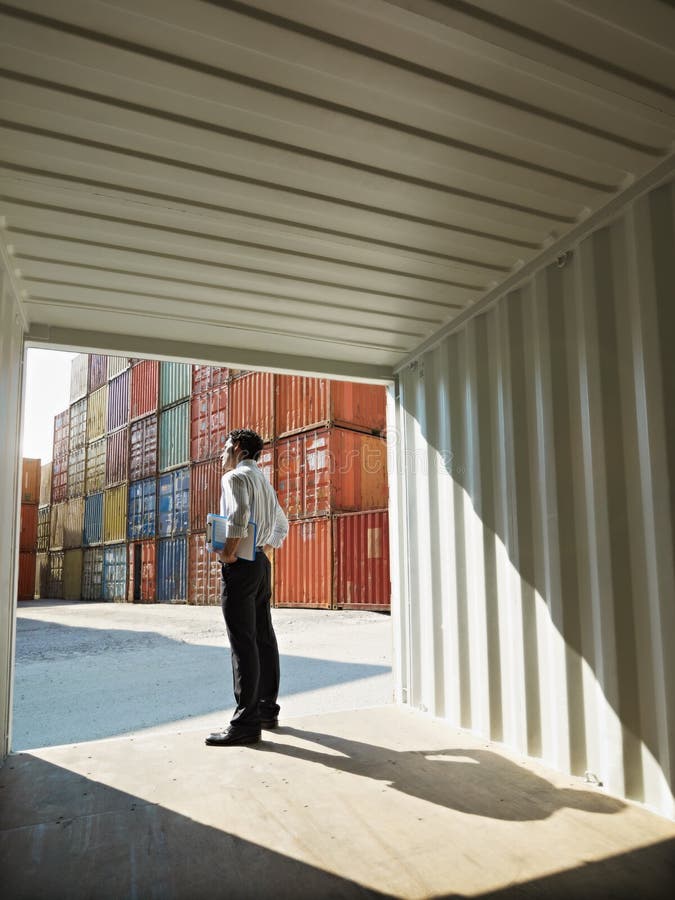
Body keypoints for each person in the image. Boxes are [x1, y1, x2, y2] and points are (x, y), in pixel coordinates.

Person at [206, 428, 289, 747]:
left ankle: (245, 723)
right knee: (263, 636)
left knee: (243, 642)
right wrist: (263, 549)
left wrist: (228, 553)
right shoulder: (264, 482)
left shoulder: (235, 478)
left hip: (241, 567)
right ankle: (268, 710)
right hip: (259, 565)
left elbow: (238, 515)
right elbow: (282, 524)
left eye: (225, 446)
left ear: (238, 448)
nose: (222, 453)